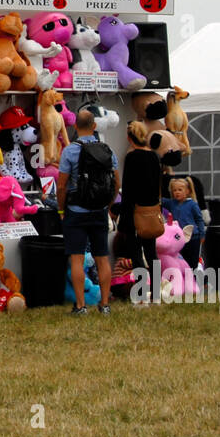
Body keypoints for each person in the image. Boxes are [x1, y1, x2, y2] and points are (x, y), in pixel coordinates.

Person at [58, 109, 115, 315]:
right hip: (99, 210)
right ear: (94, 126)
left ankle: (81, 305)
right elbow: (115, 180)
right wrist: (107, 205)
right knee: (102, 258)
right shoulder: (106, 149)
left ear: (75, 127)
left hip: (76, 209)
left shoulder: (70, 151)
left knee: (76, 258)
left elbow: (62, 184)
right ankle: (105, 304)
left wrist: (61, 209)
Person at [110, 120, 162, 300]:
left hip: (134, 212)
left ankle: (140, 292)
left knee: (136, 254)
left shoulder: (132, 158)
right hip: (151, 211)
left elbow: (130, 189)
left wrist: (120, 210)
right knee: (151, 253)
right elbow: (157, 186)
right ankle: (155, 292)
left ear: (129, 137)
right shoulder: (154, 156)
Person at [163, 176, 206, 266]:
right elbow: (160, 201)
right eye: (174, 190)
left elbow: (199, 220)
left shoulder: (192, 204)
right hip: (179, 238)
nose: (177, 192)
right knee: (181, 260)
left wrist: (202, 234)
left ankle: (193, 277)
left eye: (180, 190)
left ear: (187, 191)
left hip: (193, 237)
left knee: (192, 261)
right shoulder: (171, 203)